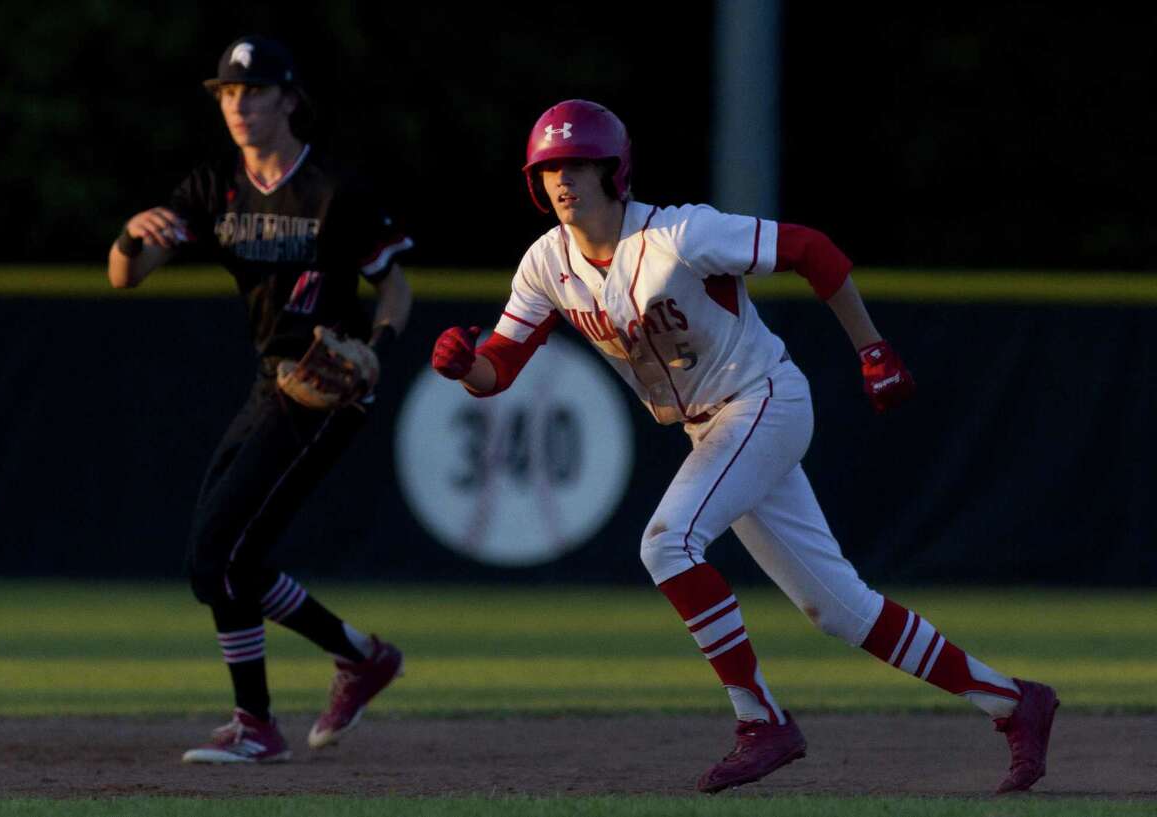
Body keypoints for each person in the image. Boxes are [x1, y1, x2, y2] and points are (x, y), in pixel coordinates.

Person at [430, 99, 1058, 794]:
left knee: (666, 542)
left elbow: (813, 250)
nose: (561, 179)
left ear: (614, 171)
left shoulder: (680, 233)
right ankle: (1014, 701)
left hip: (764, 399)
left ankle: (761, 720)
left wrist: (872, 347)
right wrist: (466, 368)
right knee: (839, 608)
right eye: (549, 167)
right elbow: (498, 368)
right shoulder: (546, 263)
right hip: (712, 424)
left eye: (576, 163)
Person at [107, 36, 413, 763]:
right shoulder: (215, 187)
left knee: (219, 554)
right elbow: (128, 274)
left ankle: (257, 723)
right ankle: (358, 657)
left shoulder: (335, 190)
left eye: (253, 92)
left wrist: (379, 349)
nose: (238, 105)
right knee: (223, 565)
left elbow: (394, 285)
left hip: (326, 385)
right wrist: (129, 234)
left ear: (289, 99)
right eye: (227, 93)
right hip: (269, 381)